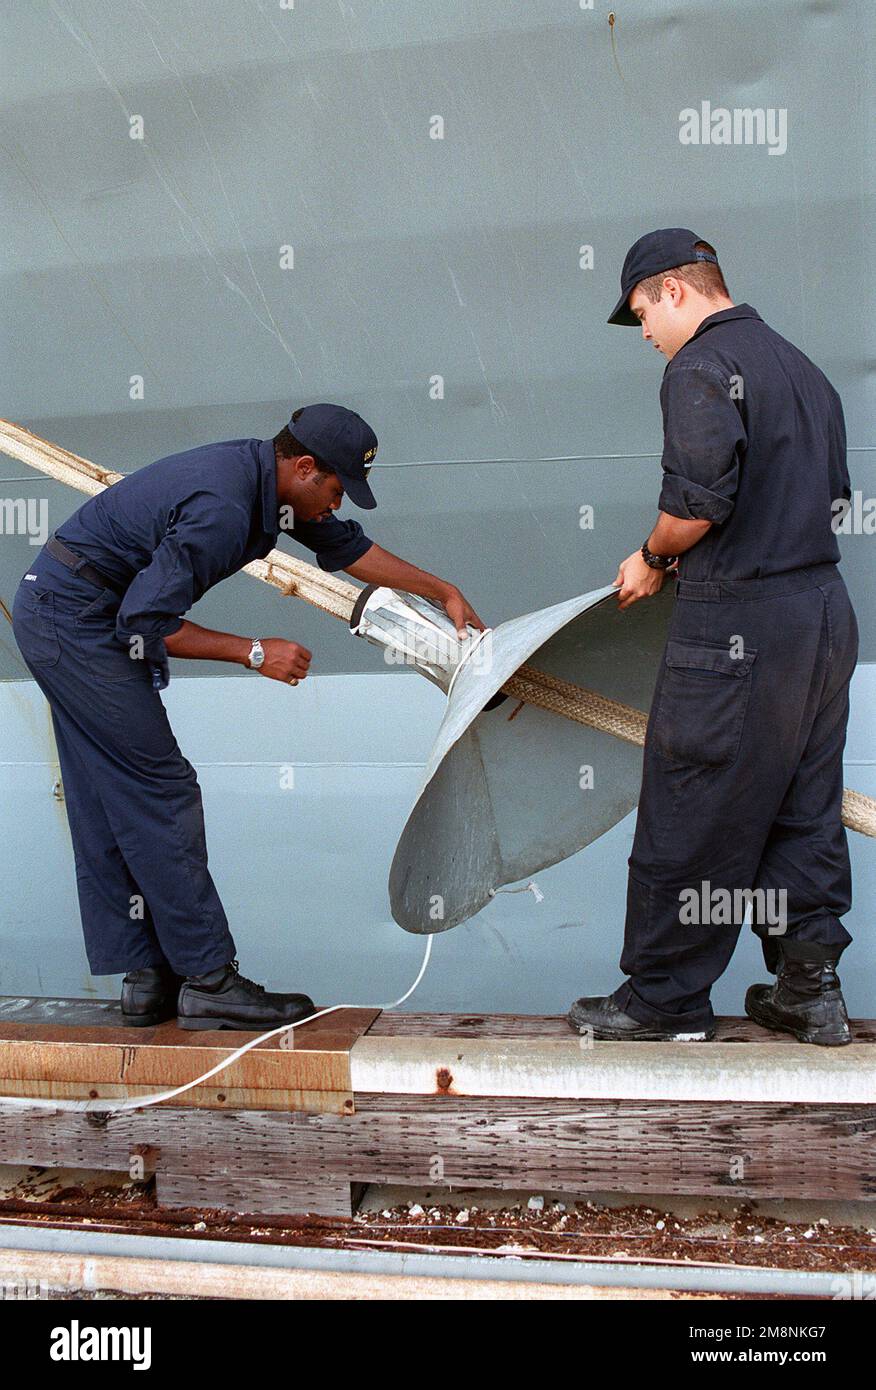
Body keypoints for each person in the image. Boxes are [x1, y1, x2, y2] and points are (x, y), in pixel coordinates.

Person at [12, 403, 484, 1030]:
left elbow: (345, 548)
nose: (337, 506)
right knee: (161, 790)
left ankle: (148, 974)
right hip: (77, 623)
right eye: (338, 490)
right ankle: (208, 980)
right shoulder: (225, 509)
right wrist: (254, 652)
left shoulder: (269, 480)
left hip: (63, 609)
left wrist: (443, 591)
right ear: (306, 467)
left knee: (109, 793)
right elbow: (144, 621)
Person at [567, 229, 859, 1046]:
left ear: (673, 291)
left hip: (737, 623)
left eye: (642, 315)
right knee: (803, 808)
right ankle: (808, 988)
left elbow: (697, 504)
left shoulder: (697, 367)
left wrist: (654, 555)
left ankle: (663, 1001)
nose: (649, 338)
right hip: (822, 617)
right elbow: (830, 494)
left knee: (690, 806)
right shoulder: (801, 367)